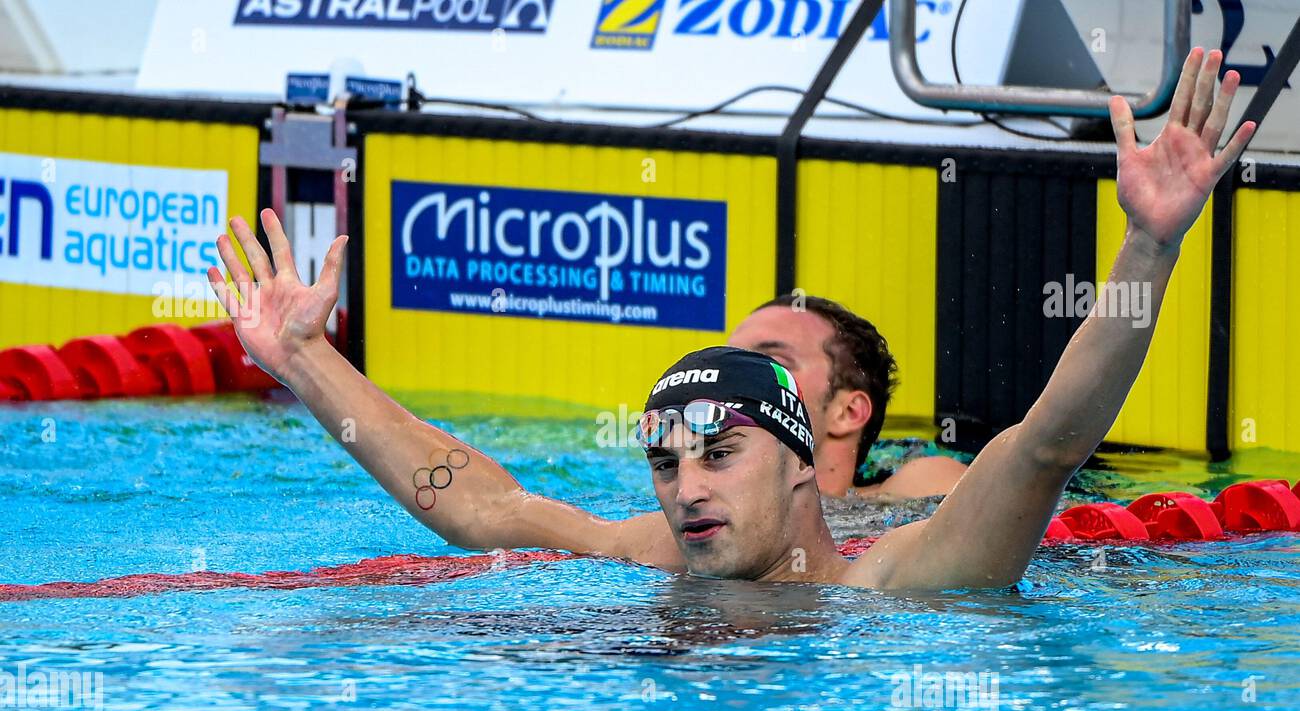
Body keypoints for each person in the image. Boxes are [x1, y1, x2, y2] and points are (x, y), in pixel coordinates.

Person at [208, 49, 1253, 591]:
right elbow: (482, 503)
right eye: (664, 463)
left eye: (714, 451)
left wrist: (1151, 242)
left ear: (809, 454)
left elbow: (1050, 443)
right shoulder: (649, 554)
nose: (686, 486)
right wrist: (303, 360)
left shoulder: (897, 577)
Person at [728, 294, 968, 499]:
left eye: (773, 363)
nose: (728, 378)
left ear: (848, 413)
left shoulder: (914, 489)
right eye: (727, 362)